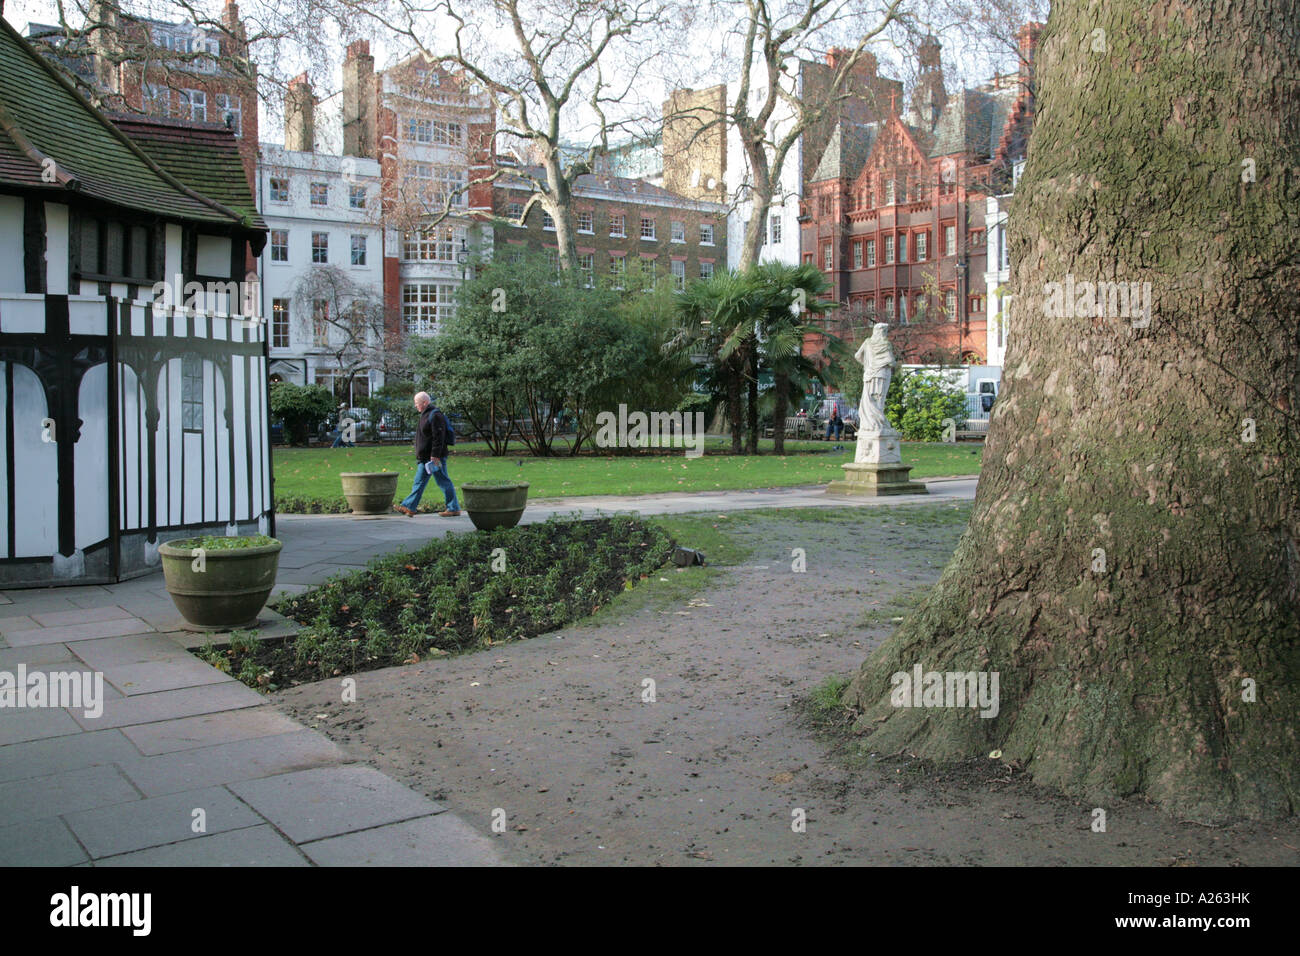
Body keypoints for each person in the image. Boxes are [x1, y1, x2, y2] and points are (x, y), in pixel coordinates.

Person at [394, 391, 461, 517]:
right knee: (419, 482)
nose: (415, 406)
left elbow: (438, 437)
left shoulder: (435, 415)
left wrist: (435, 455)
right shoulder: (426, 414)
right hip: (425, 458)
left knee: (443, 481)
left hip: (434, 458)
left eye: (417, 403)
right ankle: (409, 507)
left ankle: (453, 508)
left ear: (424, 402)